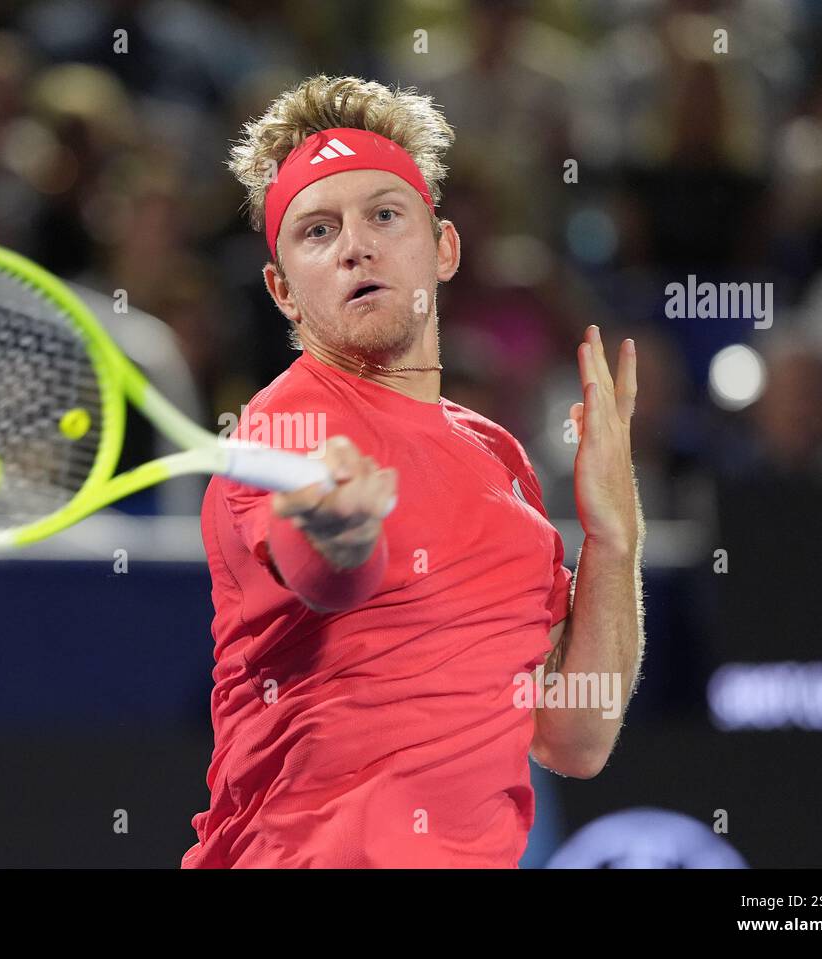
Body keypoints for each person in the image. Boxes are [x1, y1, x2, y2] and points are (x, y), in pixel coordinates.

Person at [183, 76, 645, 868]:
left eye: (384, 215)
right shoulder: (283, 427)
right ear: (283, 291)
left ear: (444, 248)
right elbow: (323, 568)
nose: (355, 244)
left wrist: (613, 533)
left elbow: (576, 733)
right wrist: (338, 528)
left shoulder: (499, 460)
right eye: (318, 231)